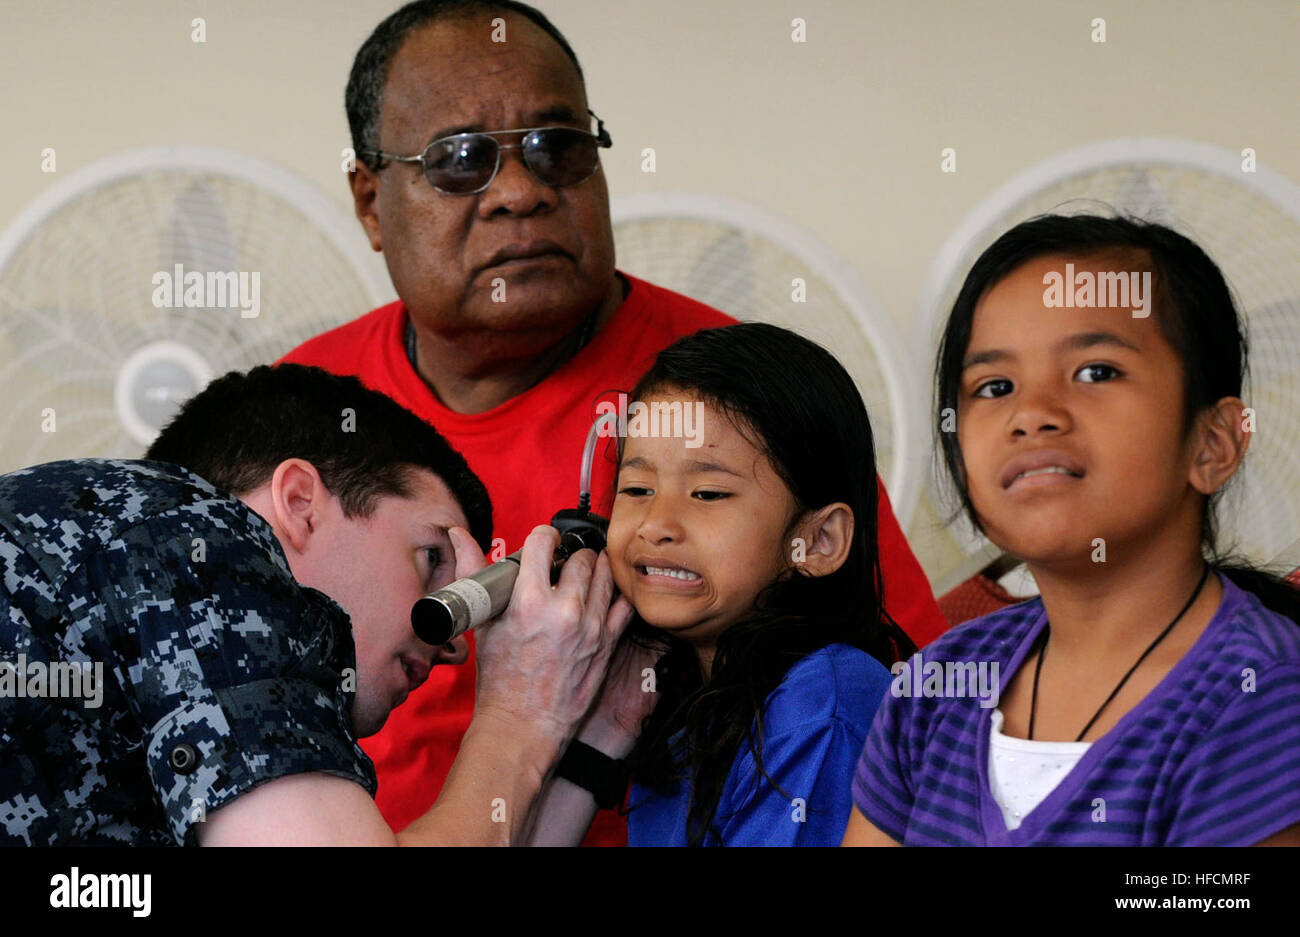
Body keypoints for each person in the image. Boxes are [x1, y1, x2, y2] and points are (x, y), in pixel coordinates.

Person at [281, 0, 947, 844]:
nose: (520, 191)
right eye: (461, 161)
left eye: (556, 147)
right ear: (372, 202)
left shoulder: (738, 404)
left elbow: (918, 731)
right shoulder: (293, 421)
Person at [0, 364, 630, 845]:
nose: (454, 644)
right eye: (432, 558)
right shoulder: (190, 537)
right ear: (299, 502)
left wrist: (593, 740)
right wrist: (520, 709)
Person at [844, 214, 1300, 846]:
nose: (1031, 414)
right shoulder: (937, 684)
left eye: (1096, 372)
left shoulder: (1261, 697)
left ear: (1213, 442)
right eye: (994, 386)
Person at [524, 324, 912, 846]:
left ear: (818, 540)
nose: (656, 523)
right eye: (636, 488)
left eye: (707, 493)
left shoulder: (825, 703)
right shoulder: (684, 707)